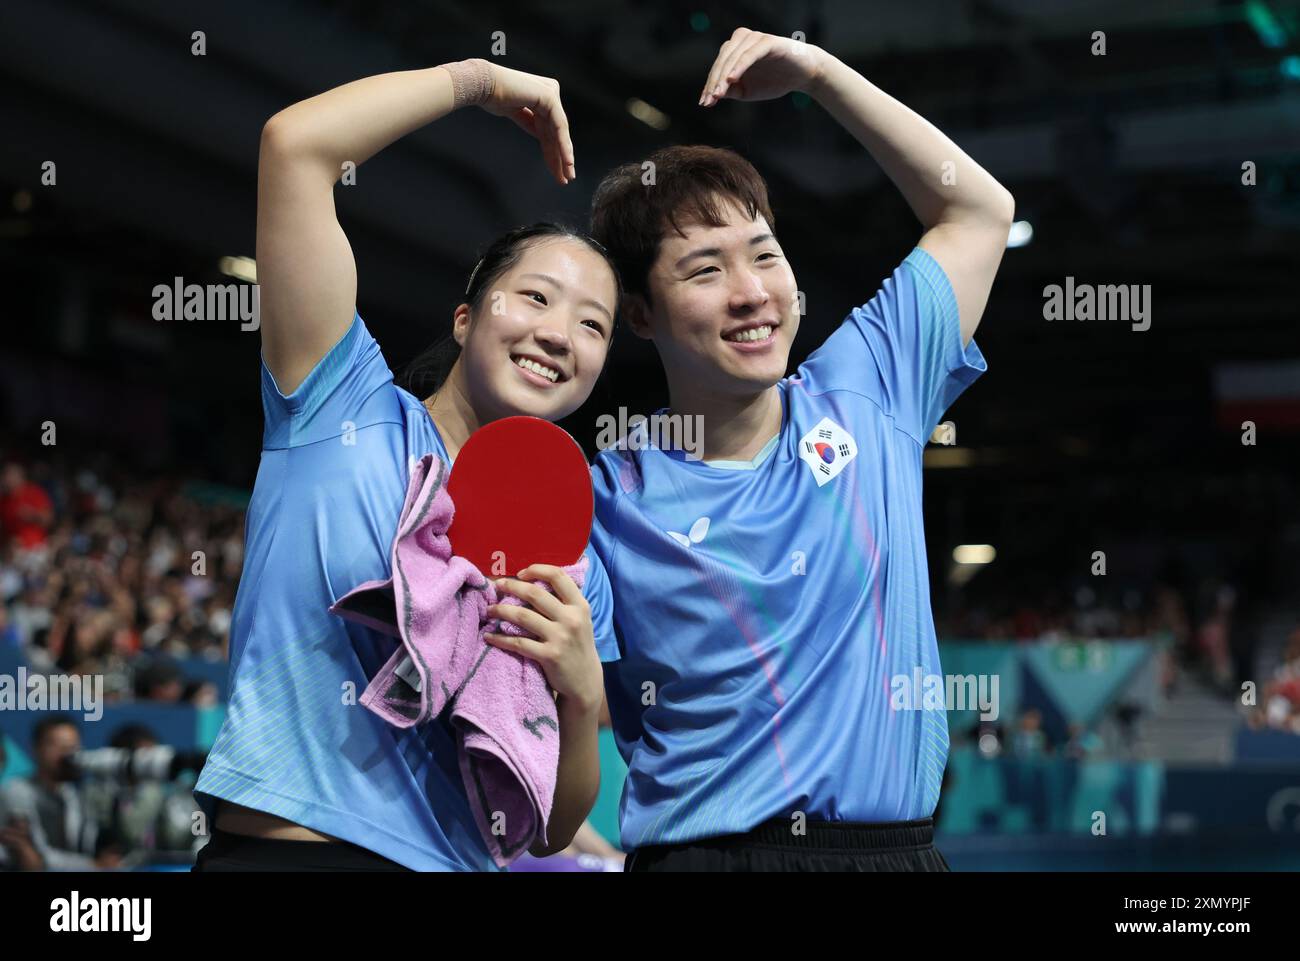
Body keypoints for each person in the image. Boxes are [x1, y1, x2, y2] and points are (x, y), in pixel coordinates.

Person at [587, 28, 1014, 871]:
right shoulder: (605, 497)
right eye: (704, 270)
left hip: (892, 855)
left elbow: (978, 209)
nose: (751, 294)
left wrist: (820, 74)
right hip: (706, 858)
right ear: (641, 314)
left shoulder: (867, 389)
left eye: (765, 256)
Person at [192, 57, 621, 871]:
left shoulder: (573, 563)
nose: (560, 333)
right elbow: (296, 148)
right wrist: (476, 83)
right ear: (466, 317)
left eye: (593, 324)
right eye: (534, 297)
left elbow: (552, 830)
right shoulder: (337, 403)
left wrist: (580, 691)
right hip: (288, 852)